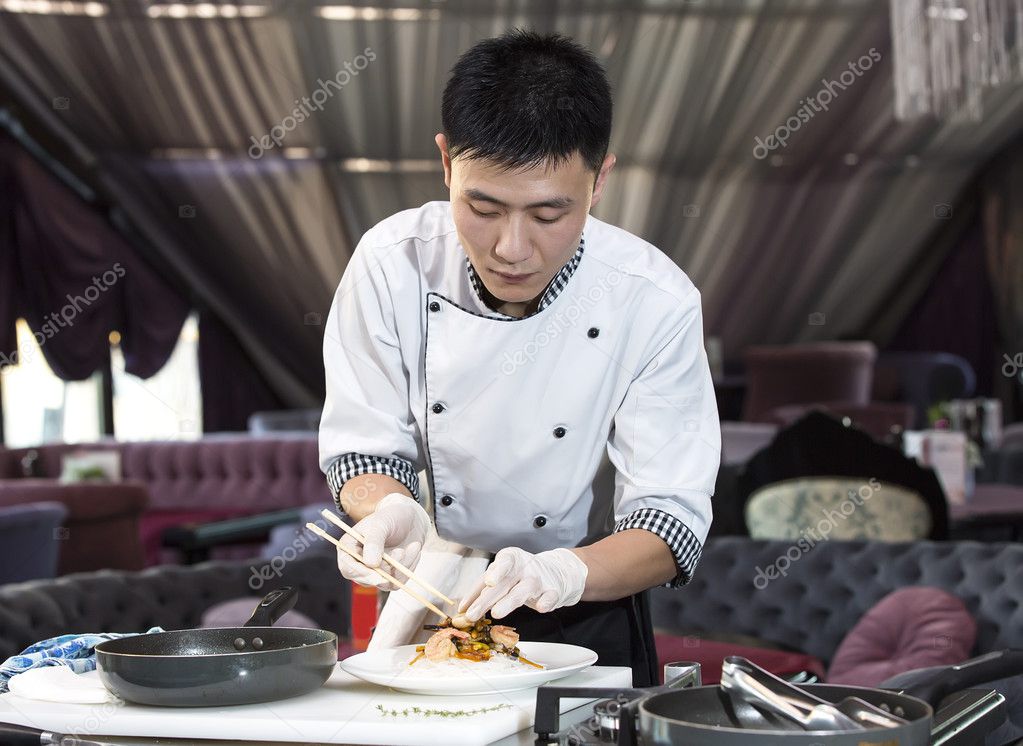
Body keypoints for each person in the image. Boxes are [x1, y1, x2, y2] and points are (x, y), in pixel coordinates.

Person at [319, 28, 720, 686]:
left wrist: (557, 572)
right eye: (482, 206)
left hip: (589, 608)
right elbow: (363, 451)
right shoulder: (392, 263)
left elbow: (669, 521)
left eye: (547, 214)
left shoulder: (652, 300)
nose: (511, 248)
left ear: (598, 182)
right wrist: (389, 511)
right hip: (428, 598)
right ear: (445, 163)